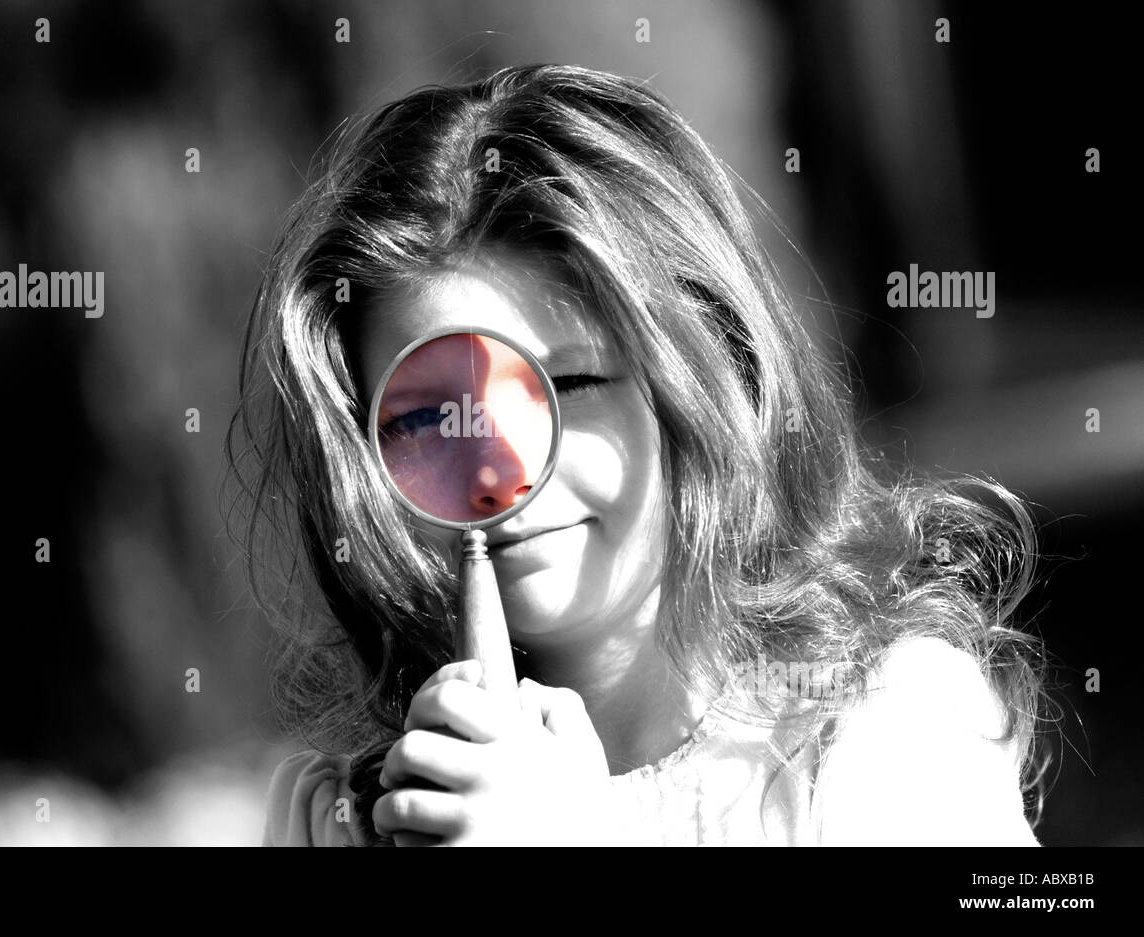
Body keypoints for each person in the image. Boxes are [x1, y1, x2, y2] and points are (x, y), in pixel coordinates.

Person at [227, 63, 1048, 846]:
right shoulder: (375, 809)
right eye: (431, 417)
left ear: (712, 374)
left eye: (573, 382)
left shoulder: (887, 727)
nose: (497, 474)